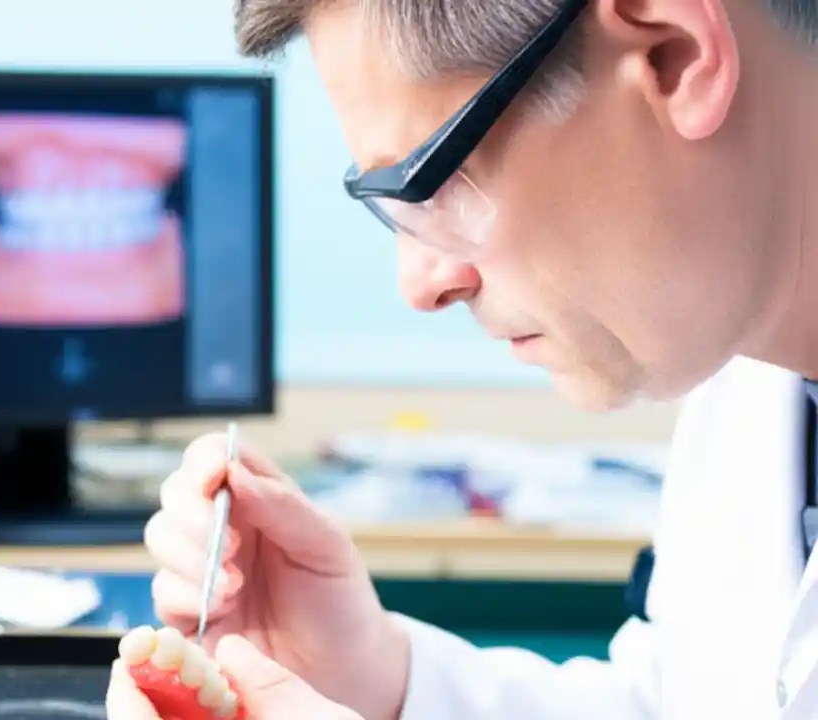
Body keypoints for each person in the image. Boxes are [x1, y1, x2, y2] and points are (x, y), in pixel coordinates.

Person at [106, 0, 818, 717]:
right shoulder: (744, 390)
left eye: (431, 182)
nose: (420, 286)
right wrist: (371, 672)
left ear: (674, 57)